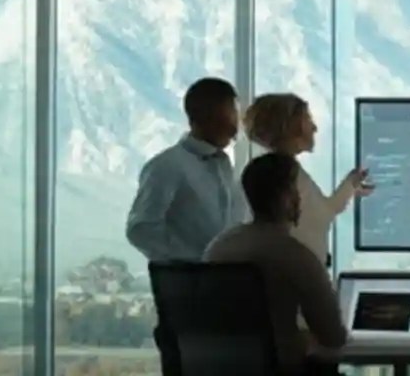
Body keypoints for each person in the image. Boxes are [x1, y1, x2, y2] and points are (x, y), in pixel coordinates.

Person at [206, 152, 348, 374]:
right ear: (287, 197)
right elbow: (334, 337)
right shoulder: (295, 256)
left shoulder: (218, 246)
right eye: (296, 189)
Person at [126, 76, 249, 263]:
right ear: (206, 117)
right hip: (190, 283)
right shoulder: (166, 167)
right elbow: (140, 229)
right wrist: (192, 258)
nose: (234, 130)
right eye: (229, 116)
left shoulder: (223, 166)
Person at [243, 92, 373, 268]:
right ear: (292, 126)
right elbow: (321, 216)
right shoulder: (286, 176)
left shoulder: (284, 174)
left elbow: (321, 214)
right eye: (308, 119)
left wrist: (350, 185)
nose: (314, 127)